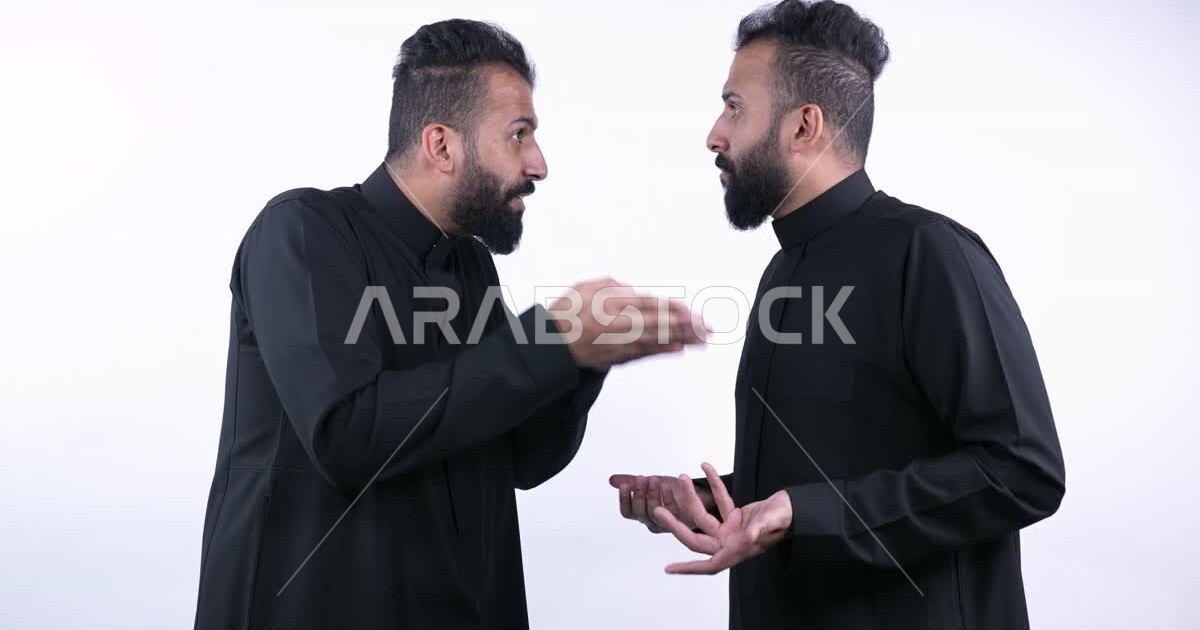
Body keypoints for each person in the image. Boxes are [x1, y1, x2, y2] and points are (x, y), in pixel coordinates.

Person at [193, 19, 704, 630]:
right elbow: (346, 434)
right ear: (441, 145)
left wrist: (585, 360)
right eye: (519, 135)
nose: (538, 164)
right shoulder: (302, 229)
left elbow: (521, 459)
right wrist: (551, 341)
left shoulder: (470, 266)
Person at [609, 2, 1065, 628]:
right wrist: (706, 501)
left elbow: (1022, 470)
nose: (715, 134)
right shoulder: (782, 271)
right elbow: (822, 478)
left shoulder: (930, 252)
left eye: (734, 107)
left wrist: (802, 512)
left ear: (805, 126)